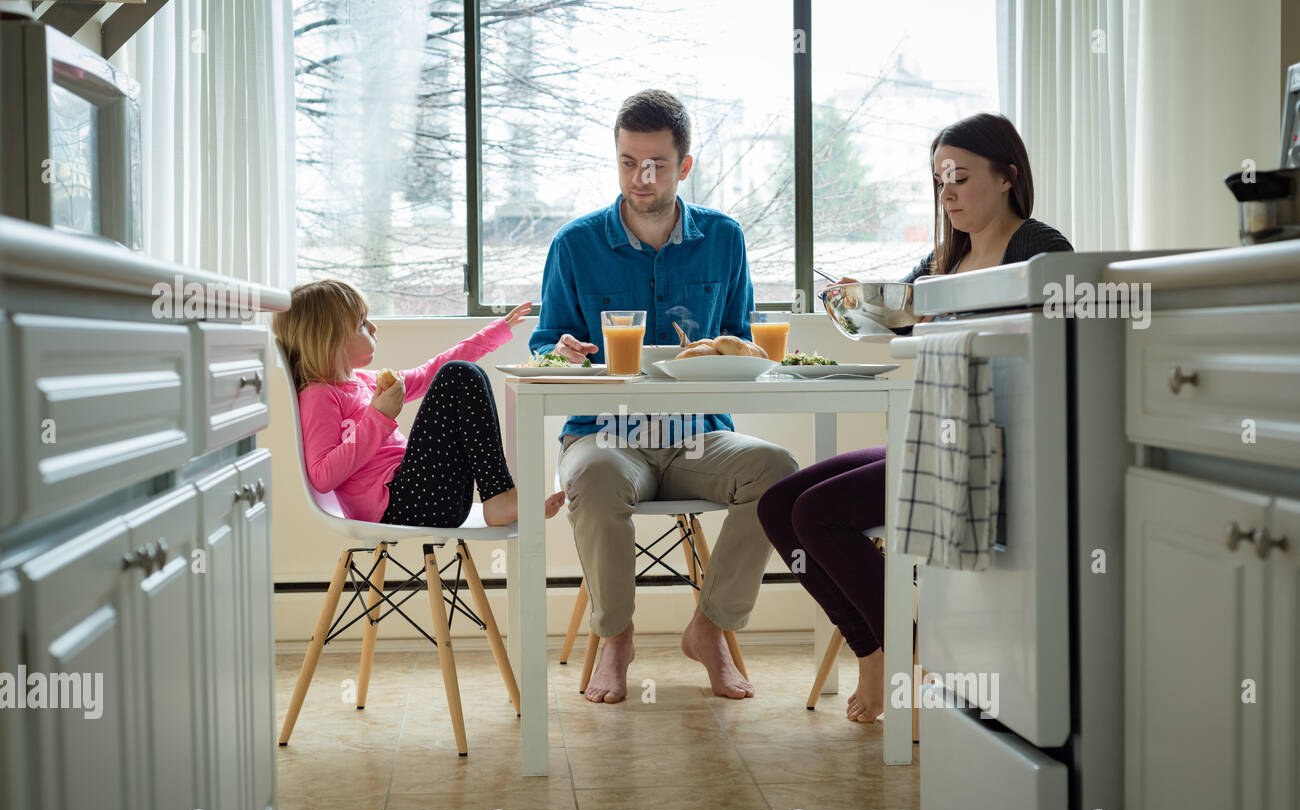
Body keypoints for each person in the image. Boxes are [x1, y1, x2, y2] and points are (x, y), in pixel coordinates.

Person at [758, 112, 1073, 724]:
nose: (946, 192)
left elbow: (1060, 347)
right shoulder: (942, 260)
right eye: (938, 180)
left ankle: (892, 649)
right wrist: (854, 301)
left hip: (997, 448)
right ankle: (883, 646)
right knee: (779, 505)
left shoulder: (1039, 249)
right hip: (933, 435)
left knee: (815, 514)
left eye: (959, 176)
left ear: (1008, 176)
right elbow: (886, 325)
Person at [530, 89, 799, 704]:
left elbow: (741, 342)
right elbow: (546, 346)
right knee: (594, 477)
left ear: (684, 166)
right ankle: (617, 639)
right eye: (628, 161)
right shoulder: (575, 245)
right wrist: (562, 351)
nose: (640, 176)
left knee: (778, 471)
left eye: (654, 163)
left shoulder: (724, 240)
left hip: (696, 435)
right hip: (605, 434)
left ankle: (711, 629)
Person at [273, 278, 566, 529]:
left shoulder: (363, 380)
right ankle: (499, 498)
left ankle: (498, 496)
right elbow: (323, 477)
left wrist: (495, 331)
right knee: (459, 374)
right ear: (330, 340)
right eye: (362, 323)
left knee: (464, 372)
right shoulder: (318, 395)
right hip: (396, 505)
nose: (374, 328)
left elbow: (428, 374)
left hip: (429, 497)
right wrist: (378, 417)